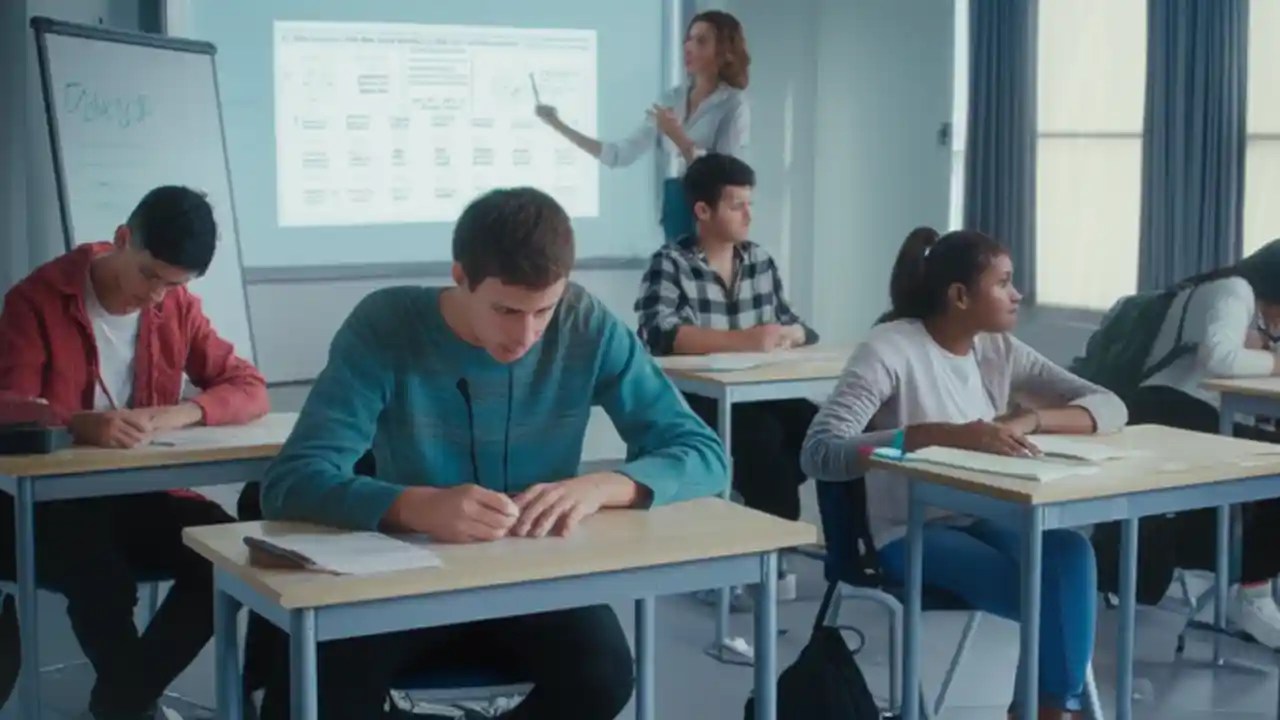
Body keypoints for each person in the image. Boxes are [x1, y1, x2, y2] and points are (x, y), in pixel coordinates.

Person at [255, 187, 727, 720]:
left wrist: (600, 486)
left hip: (533, 577)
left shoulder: (585, 325)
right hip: (401, 578)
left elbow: (705, 454)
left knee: (604, 676)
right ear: (460, 276)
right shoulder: (387, 325)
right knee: (308, 691)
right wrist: (415, 506)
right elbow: (291, 482)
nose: (526, 334)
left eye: (544, 310)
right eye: (505, 310)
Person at [800, 227, 1128, 720]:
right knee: (1053, 597)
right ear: (960, 296)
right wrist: (928, 436)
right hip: (906, 529)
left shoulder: (997, 350)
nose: (1017, 295)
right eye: (1004, 282)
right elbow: (820, 452)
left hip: (981, 516)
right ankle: (1050, 710)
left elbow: (1111, 405)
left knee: (1070, 551)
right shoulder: (890, 348)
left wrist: (1031, 419)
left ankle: (1042, 709)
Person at [0, 185, 269, 720]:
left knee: (227, 553)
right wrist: (76, 422)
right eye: (149, 276)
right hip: (44, 509)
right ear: (122, 239)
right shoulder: (37, 299)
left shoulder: (176, 306)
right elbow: (7, 406)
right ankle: (131, 707)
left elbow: (248, 385)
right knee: (102, 577)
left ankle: (120, 703)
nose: (156, 297)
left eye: (173, 285)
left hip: (134, 496)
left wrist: (181, 412)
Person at [635, 152, 815, 606]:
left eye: (750, 204)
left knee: (822, 430)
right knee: (763, 443)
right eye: (737, 205)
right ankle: (762, 560)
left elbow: (797, 325)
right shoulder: (671, 263)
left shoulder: (759, 261)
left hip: (759, 391)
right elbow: (659, 334)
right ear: (703, 210)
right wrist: (746, 341)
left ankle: (764, 535)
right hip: (697, 396)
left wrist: (787, 335)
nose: (748, 215)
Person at [1104, 237, 1280, 647]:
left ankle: (1249, 582)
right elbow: (1218, 357)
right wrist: (1274, 360)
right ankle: (1252, 593)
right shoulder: (1233, 291)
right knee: (1273, 464)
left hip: (1187, 412)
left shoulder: (1238, 298)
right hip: (1169, 411)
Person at [536, 10, 750, 242]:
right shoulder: (671, 99)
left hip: (714, 218)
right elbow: (620, 155)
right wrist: (558, 125)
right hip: (676, 205)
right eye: (688, 39)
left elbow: (726, 176)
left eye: (701, 41)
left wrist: (679, 138)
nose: (688, 47)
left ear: (724, 52)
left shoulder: (733, 104)